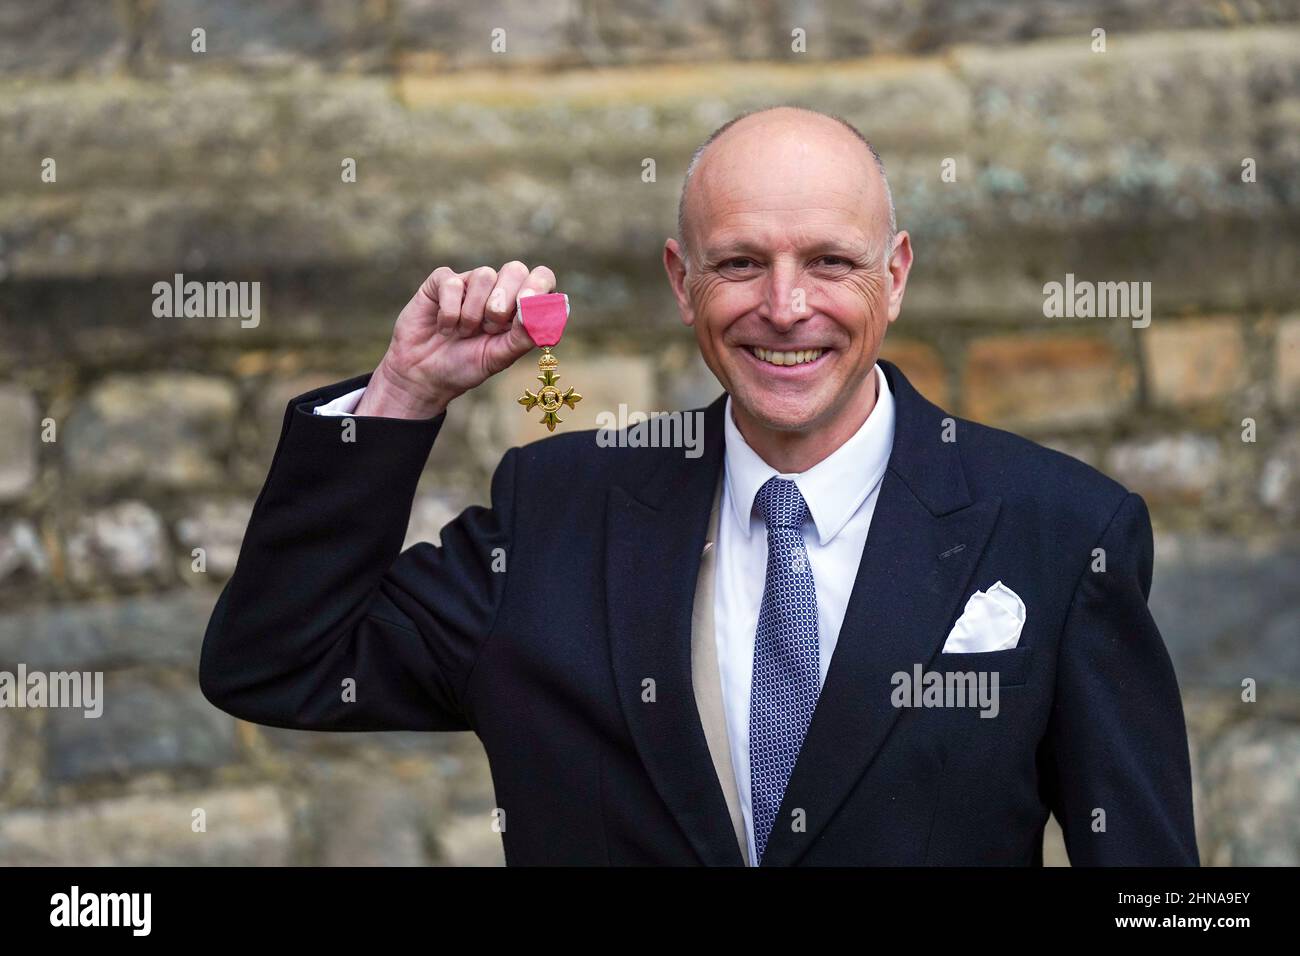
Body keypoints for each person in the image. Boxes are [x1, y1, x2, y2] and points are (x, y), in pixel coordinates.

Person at [200, 106, 1199, 866]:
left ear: (895, 275)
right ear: (680, 280)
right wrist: (403, 393)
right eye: (738, 263)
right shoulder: (554, 513)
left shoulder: (1062, 531)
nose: (784, 305)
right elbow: (281, 664)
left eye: (829, 261)